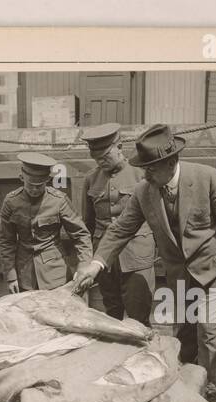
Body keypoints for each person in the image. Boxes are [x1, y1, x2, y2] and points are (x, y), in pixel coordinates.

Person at [73, 123, 216, 402]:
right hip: (179, 275)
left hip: (211, 271)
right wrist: (96, 263)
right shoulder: (146, 191)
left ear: (170, 162)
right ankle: (187, 393)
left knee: (210, 337)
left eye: (151, 168)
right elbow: (120, 230)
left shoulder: (208, 178)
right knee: (186, 335)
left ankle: (208, 400)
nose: (146, 173)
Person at [80, 122, 155, 324]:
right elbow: (87, 224)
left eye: (105, 157)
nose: (101, 162)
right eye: (96, 158)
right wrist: (90, 258)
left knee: (138, 316)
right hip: (106, 260)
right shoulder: (91, 179)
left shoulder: (142, 174)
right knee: (111, 313)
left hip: (136, 257)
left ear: (119, 147)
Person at [0, 152, 93, 294]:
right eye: (30, 185)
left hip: (56, 275)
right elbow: (6, 241)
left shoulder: (59, 200)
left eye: (39, 185)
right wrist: (11, 277)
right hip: (24, 276)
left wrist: (84, 265)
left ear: (47, 180)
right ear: (21, 178)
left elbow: (80, 235)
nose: (35, 190)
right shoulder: (11, 202)